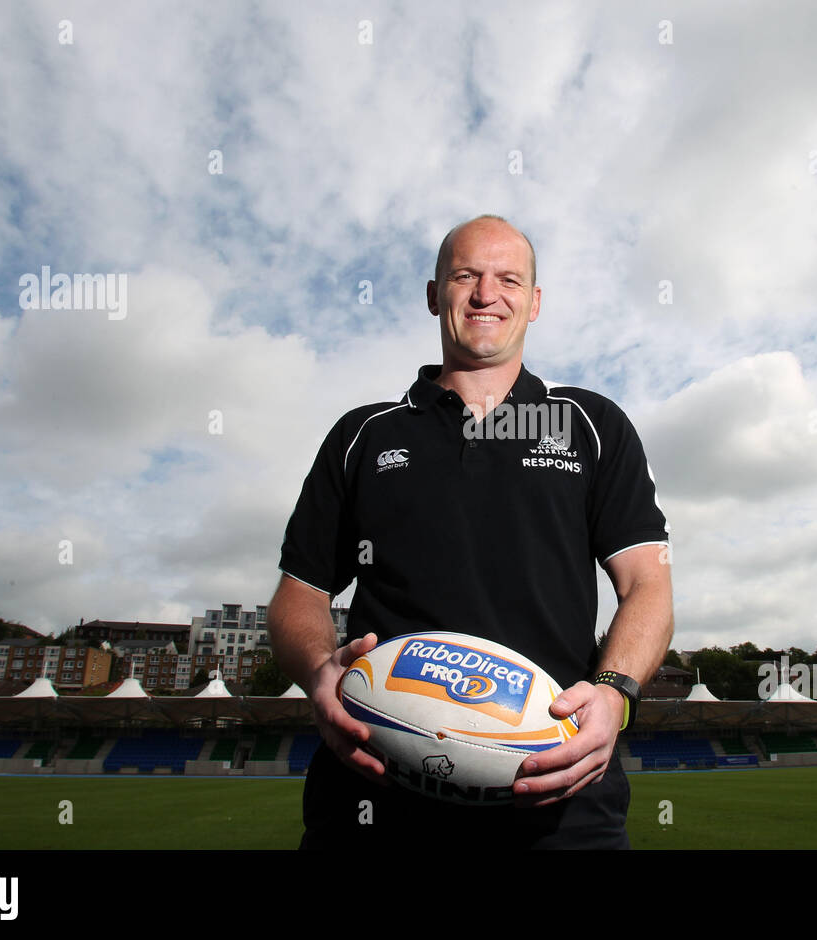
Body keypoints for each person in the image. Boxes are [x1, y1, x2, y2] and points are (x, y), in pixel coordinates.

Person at [268, 215, 673, 848]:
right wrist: (320, 669)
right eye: (466, 275)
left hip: (560, 802)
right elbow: (300, 592)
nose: (487, 294)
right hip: (374, 795)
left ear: (534, 303)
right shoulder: (363, 435)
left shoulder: (590, 424)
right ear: (435, 294)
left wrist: (615, 693)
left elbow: (648, 584)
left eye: (509, 279)